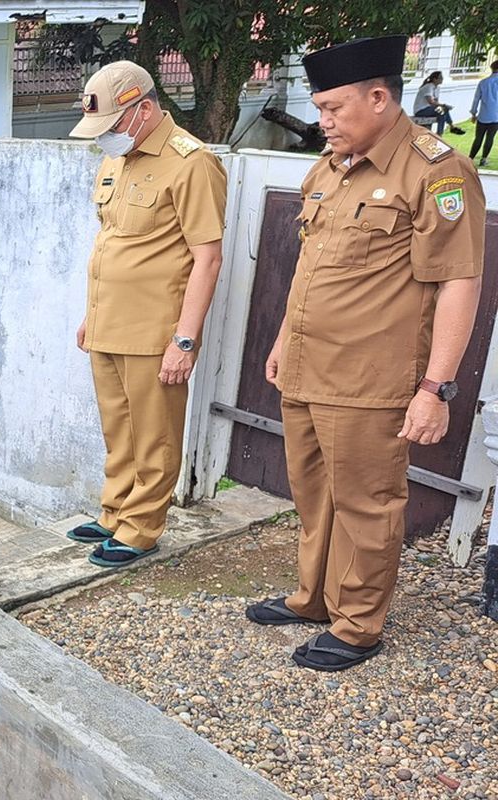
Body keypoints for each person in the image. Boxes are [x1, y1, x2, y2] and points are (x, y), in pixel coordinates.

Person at [246, 37, 484, 671]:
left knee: (367, 500)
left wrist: (436, 389)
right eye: (319, 109)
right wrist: (280, 339)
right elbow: (312, 267)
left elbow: (459, 280)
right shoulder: (329, 167)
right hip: (306, 364)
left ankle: (358, 625)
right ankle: (313, 597)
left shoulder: (435, 172)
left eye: (333, 108)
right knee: (313, 491)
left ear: (379, 98)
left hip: (370, 377)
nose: (322, 121)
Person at [65, 61, 228, 569]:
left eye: (112, 126)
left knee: (153, 434)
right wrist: (93, 314)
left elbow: (208, 256)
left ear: (144, 110)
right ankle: (115, 511)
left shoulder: (192, 162)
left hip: (155, 331)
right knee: (118, 428)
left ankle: (141, 528)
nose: (106, 138)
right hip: (109, 322)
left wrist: (184, 340)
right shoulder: (117, 159)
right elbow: (111, 241)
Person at [413, 71, 466, 136]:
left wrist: (443, 106)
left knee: (443, 111)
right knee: (442, 110)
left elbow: (436, 102)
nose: (442, 79)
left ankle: (447, 129)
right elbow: (431, 101)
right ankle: (442, 132)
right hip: (421, 110)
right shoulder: (429, 87)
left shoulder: (437, 88)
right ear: (435, 79)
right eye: (440, 78)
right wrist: (443, 105)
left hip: (429, 109)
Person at [470, 60, 498, 166]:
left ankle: (470, 158)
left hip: (483, 115)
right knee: (490, 137)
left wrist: (473, 113)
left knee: (478, 137)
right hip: (495, 115)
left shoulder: (483, 82)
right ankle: (484, 158)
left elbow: (476, 99)